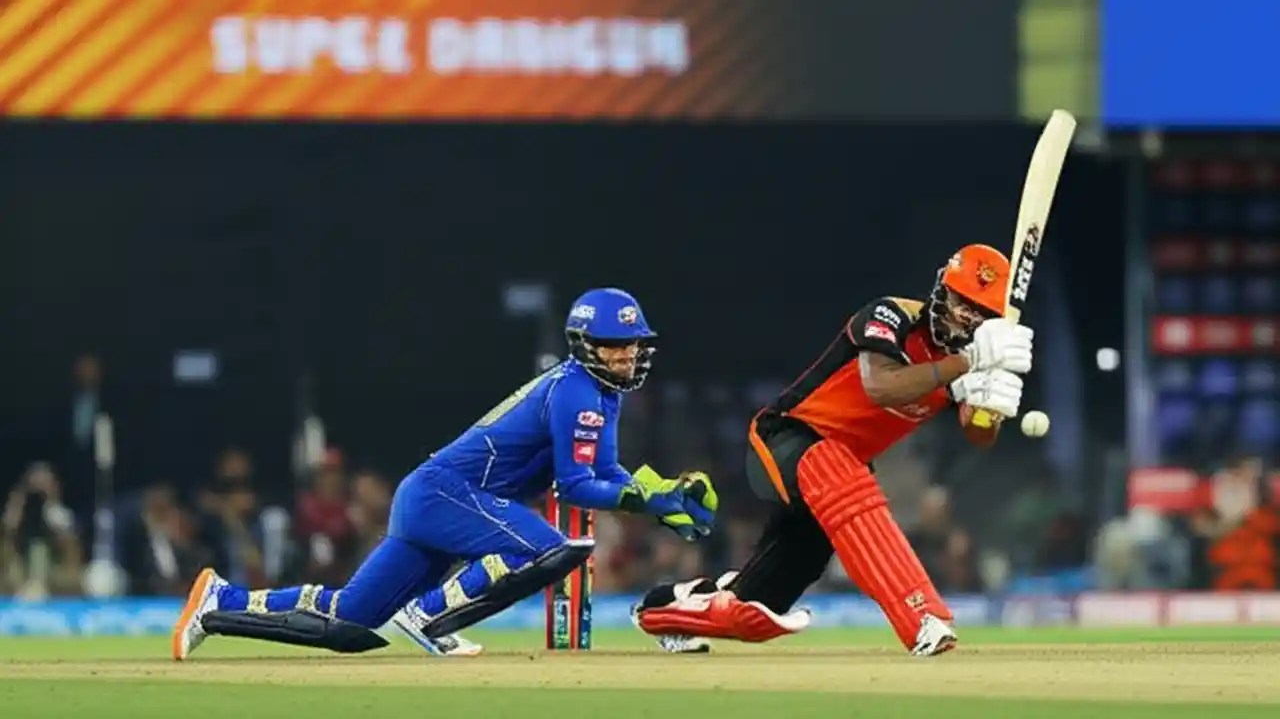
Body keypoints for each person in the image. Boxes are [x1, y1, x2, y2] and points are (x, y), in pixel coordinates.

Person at [172, 288, 716, 660]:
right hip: (449, 494)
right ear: (585, 345)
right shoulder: (577, 389)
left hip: (435, 496)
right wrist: (650, 501)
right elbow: (576, 485)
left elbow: (605, 470)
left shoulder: (598, 392)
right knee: (549, 549)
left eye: (632, 346)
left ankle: (222, 602)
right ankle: (429, 616)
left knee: (350, 624)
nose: (627, 356)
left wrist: (663, 496)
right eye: (615, 346)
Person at [633, 245, 1032, 656]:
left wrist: (993, 403)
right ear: (939, 288)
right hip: (787, 438)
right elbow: (881, 386)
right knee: (835, 464)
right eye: (957, 301)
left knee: (755, 609)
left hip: (838, 475)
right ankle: (922, 617)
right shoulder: (891, 315)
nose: (963, 316)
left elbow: (978, 435)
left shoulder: (972, 358)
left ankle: (668, 609)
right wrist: (964, 370)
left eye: (977, 312)